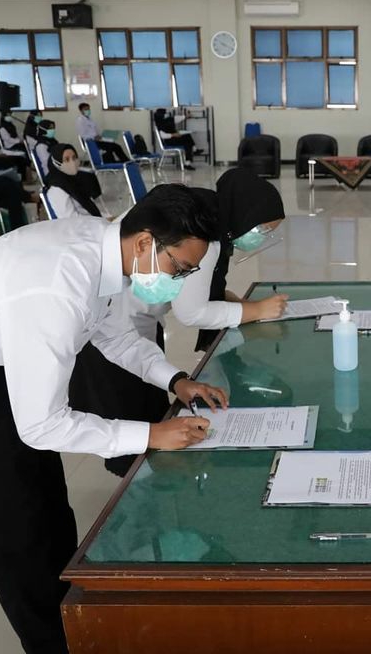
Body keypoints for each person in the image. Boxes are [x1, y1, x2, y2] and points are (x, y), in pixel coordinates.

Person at [0, 184, 228, 653]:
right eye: (179, 268)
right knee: (16, 535)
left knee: (50, 516)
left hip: (11, 367)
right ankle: (50, 644)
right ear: (145, 242)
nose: (178, 282)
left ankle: (76, 626)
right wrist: (150, 435)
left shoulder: (108, 252)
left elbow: (115, 337)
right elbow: (41, 426)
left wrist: (175, 380)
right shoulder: (58, 280)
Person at [68, 168, 289, 477]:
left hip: (129, 330)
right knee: (129, 418)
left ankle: (147, 479)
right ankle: (135, 491)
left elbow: (130, 338)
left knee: (150, 412)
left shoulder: (198, 213)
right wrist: (255, 311)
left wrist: (177, 381)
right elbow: (191, 311)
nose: (261, 237)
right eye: (262, 229)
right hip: (116, 332)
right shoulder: (202, 235)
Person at [42, 143, 101, 219]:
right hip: (84, 228)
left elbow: (89, 208)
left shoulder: (72, 181)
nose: (72, 162)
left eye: (74, 158)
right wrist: (99, 223)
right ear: (57, 163)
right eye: (67, 159)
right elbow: (71, 221)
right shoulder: (56, 190)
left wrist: (104, 218)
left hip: (94, 223)